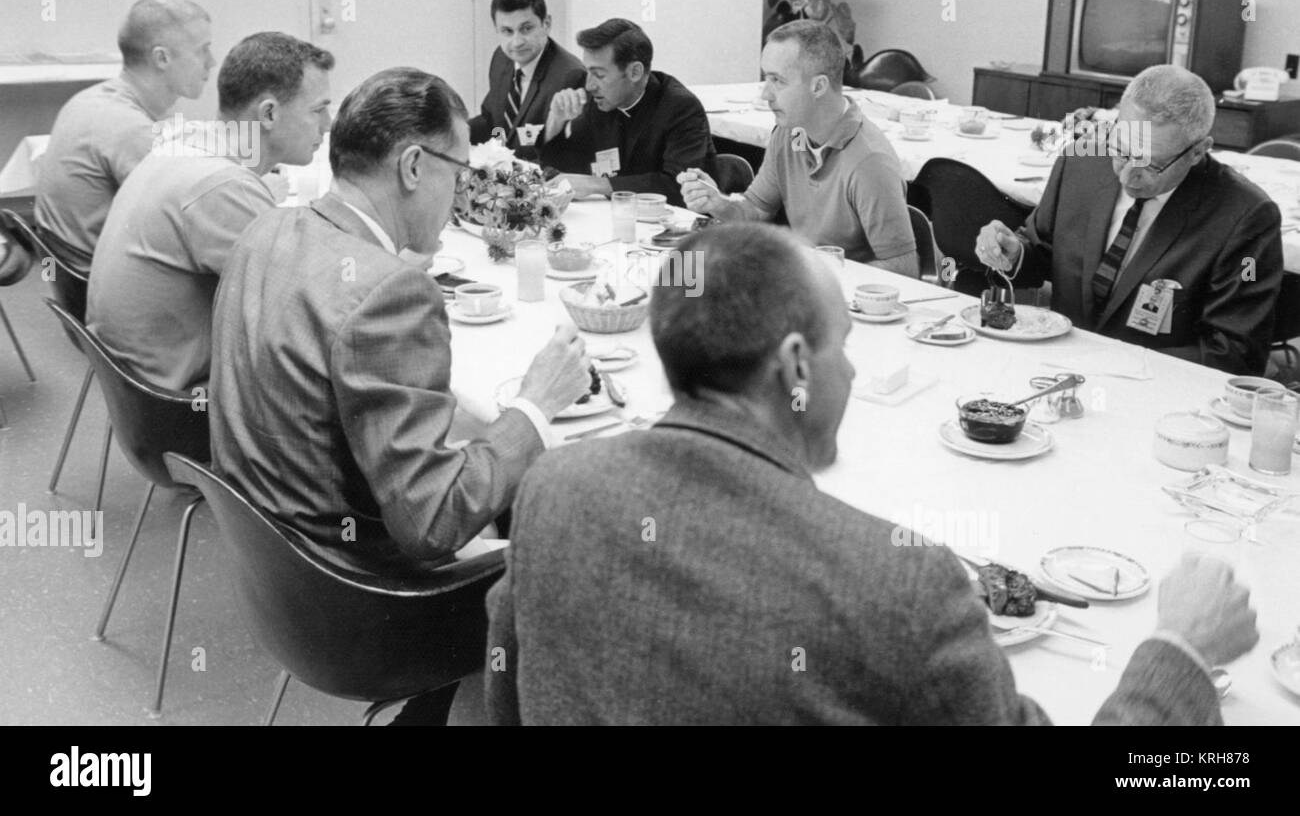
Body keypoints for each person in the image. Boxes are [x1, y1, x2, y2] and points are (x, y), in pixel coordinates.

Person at [484, 223, 1258, 724]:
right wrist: (1181, 651)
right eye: (841, 346)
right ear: (793, 365)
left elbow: (507, 686)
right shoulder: (901, 587)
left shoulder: (554, 488)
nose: (851, 371)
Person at [209, 66, 590, 579]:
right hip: (363, 591)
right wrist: (536, 406)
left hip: (272, 561)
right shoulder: (391, 293)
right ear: (413, 167)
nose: (458, 196)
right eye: (457, 174)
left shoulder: (267, 227)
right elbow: (432, 522)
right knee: (585, 522)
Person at [975, 65, 1282, 375]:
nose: (1126, 176)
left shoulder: (1244, 216)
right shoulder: (1081, 162)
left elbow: (1234, 354)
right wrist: (1015, 253)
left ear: (1198, 151)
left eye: (1150, 165)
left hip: (1160, 396)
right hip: (1059, 371)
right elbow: (1043, 250)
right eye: (1120, 151)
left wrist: (1113, 364)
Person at [86, 32, 334, 392]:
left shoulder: (187, 144)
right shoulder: (223, 185)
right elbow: (308, 312)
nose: (327, 124)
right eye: (318, 109)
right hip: (179, 404)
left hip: (133, 385)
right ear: (268, 113)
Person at [679, 20, 918, 276]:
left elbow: (905, 268)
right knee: (685, 285)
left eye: (777, 81)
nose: (765, 95)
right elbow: (756, 210)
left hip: (844, 300)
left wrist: (819, 279)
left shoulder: (869, 162)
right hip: (803, 286)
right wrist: (720, 205)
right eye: (765, 78)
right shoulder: (789, 132)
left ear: (818, 87)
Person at [34, 0, 216, 274]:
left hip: (77, 275)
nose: (212, 62)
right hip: (113, 289)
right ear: (162, 58)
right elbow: (197, 223)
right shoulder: (128, 129)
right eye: (202, 51)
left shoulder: (90, 100)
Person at [536, 18, 716, 207]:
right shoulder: (599, 101)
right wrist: (555, 122)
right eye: (588, 72)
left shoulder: (681, 108)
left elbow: (679, 187)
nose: (589, 85)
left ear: (635, 72)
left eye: (599, 75)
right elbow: (566, 173)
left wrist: (600, 184)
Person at [467, 0, 585, 155]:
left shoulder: (571, 75)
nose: (517, 42)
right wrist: (454, 132)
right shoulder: (501, 58)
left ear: (546, 24)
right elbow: (492, 122)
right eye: (507, 31)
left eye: (526, 28)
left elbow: (566, 153)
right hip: (504, 172)